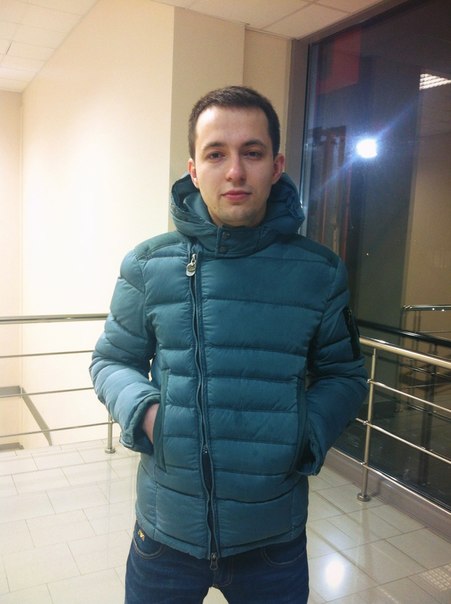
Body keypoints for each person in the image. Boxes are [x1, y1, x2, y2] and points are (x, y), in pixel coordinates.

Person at [90, 85, 368, 603]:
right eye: (216, 154)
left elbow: (345, 375)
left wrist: (304, 433)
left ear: (276, 166)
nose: (235, 171)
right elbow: (111, 360)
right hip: (165, 536)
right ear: (194, 170)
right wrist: (149, 415)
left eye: (252, 153)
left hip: (273, 541)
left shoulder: (320, 273)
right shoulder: (148, 265)